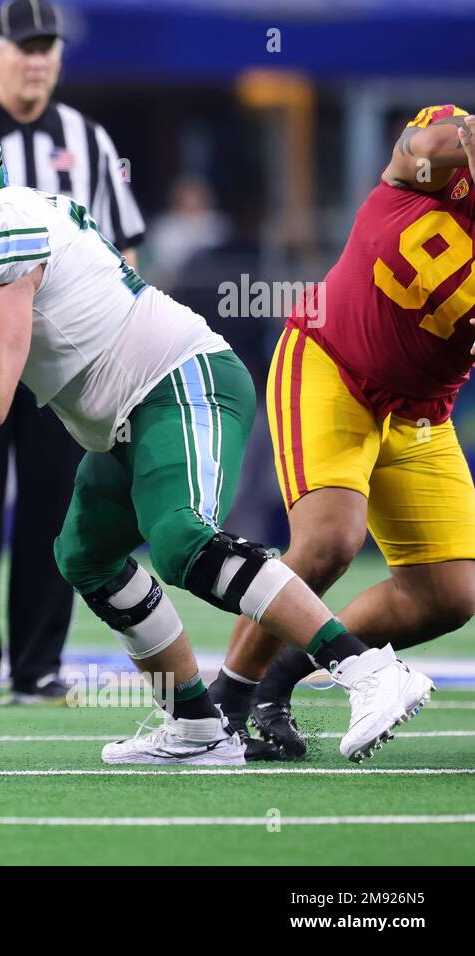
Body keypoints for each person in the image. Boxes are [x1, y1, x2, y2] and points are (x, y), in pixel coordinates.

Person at [0, 122, 434, 765]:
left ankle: (368, 669)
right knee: (87, 556)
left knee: (180, 541)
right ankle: (195, 727)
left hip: (178, 380)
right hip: (126, 416)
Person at [209, 104, 475, 758]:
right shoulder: (448, 152)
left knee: (448, 593)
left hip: (418, 414)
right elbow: (412, 146)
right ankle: (221, 708)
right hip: (332, 364)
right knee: (329, 541)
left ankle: (281, 674)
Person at [0, 0, 145, 706]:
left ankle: (39, 663)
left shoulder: (89, 140)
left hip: (61, 360)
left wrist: (123, 349)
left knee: (58, 506)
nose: (37, 58)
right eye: (25, 45)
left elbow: (120, 249)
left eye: (48, 47)